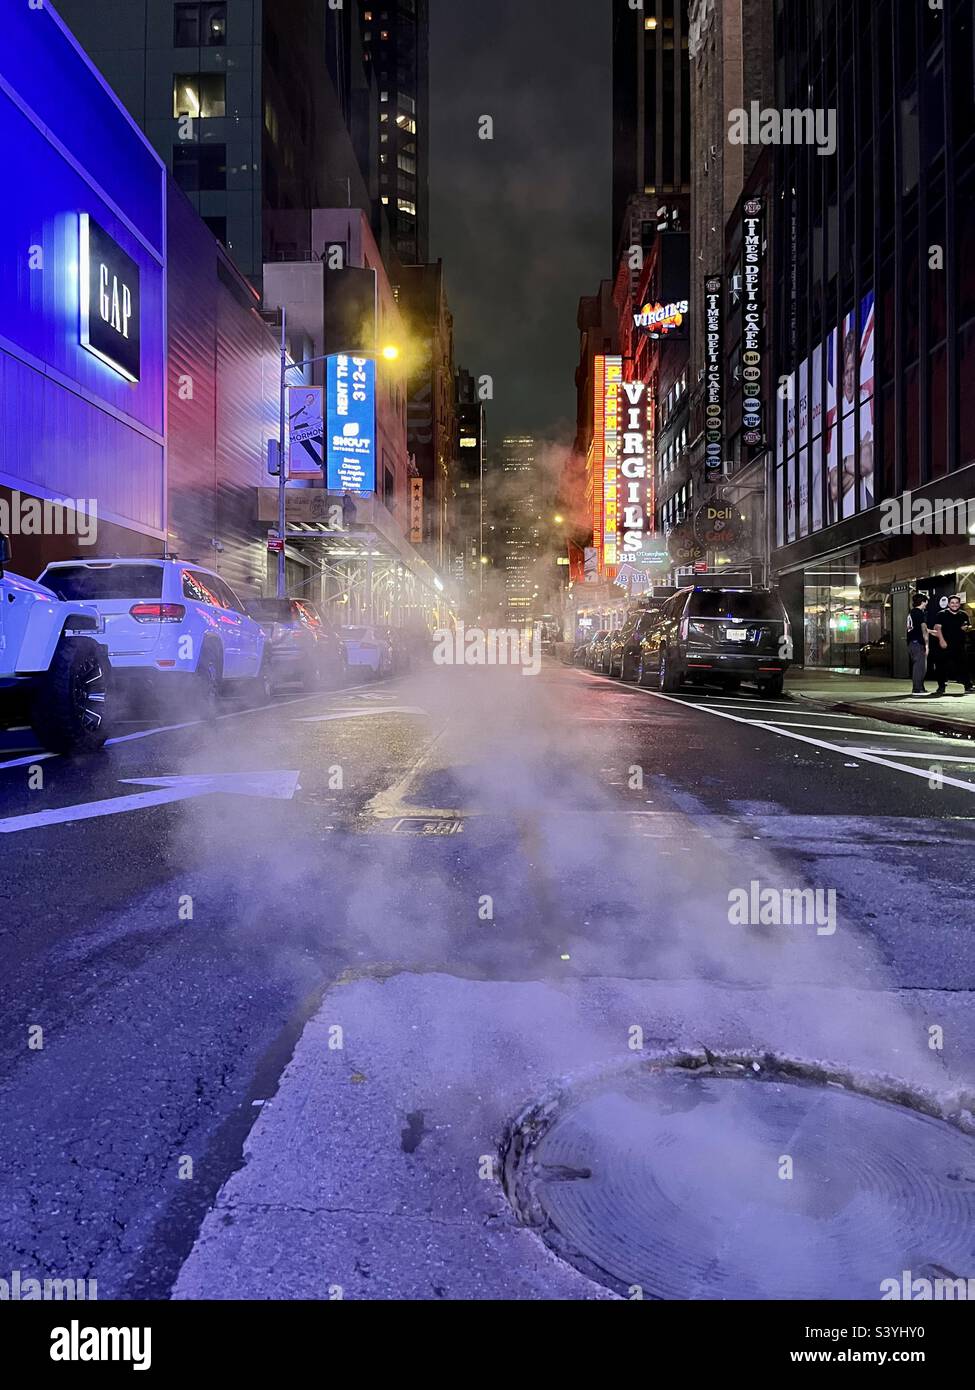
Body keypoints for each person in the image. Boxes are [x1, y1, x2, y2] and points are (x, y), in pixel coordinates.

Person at [931, 594, 973, 695]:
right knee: (941, 666)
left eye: (957, 603)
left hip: (959, 645)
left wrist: (966, 628)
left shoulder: (964, 614)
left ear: (959, 604)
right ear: (949, 604)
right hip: (945, 644)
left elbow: (968, 625)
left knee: (963, 665)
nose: (954, 605)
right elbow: (937, 628)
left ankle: (968, 686)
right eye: (952, 603)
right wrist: (941, 640)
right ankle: (941, 686)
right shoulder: (941, 614)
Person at [906, 594, 929, 697]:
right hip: (918, 643)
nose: (926, 604)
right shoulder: (920, 613)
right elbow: (923, 629)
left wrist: (933, 631)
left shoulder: (911, 613)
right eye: (926, 602)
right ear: (923, 602)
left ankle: (920, 688)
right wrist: (927, 644)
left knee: (917, 665)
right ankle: (917, 689)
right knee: (920, 667)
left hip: (911, 643)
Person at [925, 593, 949, 690]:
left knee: (940, 664)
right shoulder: (941, 614)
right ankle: (942, 684)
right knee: (940, 664)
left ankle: (942, 684)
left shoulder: (928, 614)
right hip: (938, 643)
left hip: (936, 642)